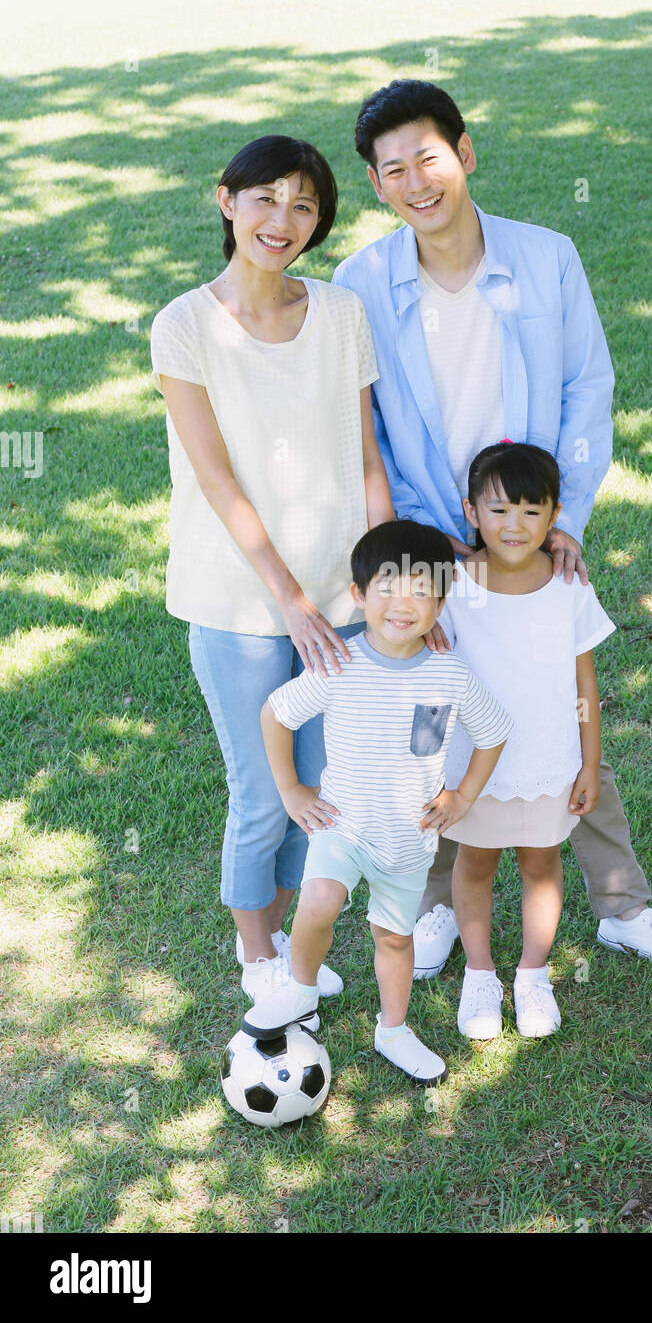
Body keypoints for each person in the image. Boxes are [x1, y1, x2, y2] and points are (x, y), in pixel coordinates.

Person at [332, 79, 652, 981]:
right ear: (380, 187)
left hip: (531, 533)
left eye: (429, 158)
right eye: (394, 171)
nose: (416, 182)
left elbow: (589, 389)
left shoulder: (547, 258)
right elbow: (368, 427)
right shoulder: (360, 283)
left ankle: (623, 905)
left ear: (464, 153)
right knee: (431, 721)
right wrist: (416, 550)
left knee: (560, 709)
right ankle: (428, 912)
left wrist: (563, 519)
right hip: (436, 544)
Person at [149, 134, 394, 1023]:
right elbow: (216, 479)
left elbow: (367, 456)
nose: (282, 220)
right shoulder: (184, 325)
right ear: (226, 201)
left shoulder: (340, 316)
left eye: (303, 205)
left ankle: (292, 946)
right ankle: (256, 955)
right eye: (265, 199)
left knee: (324, 788)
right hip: (240, 603)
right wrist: (289, 603)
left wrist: (384, 581)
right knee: (263, 788)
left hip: (342, 598)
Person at [250, 521, 512, 1084]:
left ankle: (392, 1028)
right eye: (388, 589)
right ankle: (300, 990)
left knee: (395, 940)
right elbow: (276, 713)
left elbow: (493, 732)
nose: (403, 604)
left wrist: (463, 795)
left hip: (408, 839)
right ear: (359, 595)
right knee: (319, 900)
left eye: (421, 592)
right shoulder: (340, 665)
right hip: (343, 825)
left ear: (441, 603)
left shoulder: (449, 674)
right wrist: (292, 790)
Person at [439, 441, 614, 1039]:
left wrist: (590, 763)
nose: (515, 526)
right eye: (499, 510)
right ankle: (480, 974)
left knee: (542, 864)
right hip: (474, 769)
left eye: (532, 512)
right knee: (476, 863)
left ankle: (533, 974)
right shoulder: (453, 586)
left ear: (555, 514)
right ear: (470, 512)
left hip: (548, 759)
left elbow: (584, 681)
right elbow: (432, 681)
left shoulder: (569, 584)